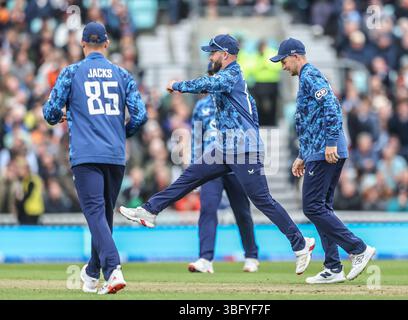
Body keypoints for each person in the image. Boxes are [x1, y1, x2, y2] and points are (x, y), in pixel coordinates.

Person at [119, 34, 316, 276]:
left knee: (262, 200)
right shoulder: (228, 80)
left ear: (225, 54)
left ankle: (300, 243)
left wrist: (178, 85)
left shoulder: (231, 74)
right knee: (189, 177)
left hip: (243, 149)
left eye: (213, 52)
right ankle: (149, 210)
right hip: (225, 148)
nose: (210, 56)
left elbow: (210, 84)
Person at [43, 22, 147, 294]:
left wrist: (64, 116)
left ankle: (113, 269)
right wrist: (120, 132)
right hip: (115, 154)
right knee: (103, 217)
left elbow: (50, 112)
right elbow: (140, 115)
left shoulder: (72, 72)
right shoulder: (122, 74)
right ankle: (91, 273)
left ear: (82, 44)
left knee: (95, 214)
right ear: (107, 43)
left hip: (87, 154)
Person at [270, 38, 376, 284]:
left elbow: (332, 107)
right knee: (321, 209)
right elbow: (309, 121)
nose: (283, 66)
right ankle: (333, 267)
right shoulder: (306, 77)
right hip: (317, 151)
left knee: (312, 207)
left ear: (296, 56)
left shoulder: (310, 75)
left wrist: (330, 142)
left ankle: (358, 248)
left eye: (283, 60)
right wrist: (301, 155)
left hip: (326, 151)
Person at [189, 62, 259, 274]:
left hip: (236, 161)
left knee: (242, 211)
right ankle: (205, 258)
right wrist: (195, 168)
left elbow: (252, 129)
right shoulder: (202, 107)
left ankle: (251, 256)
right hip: (211, 163)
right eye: (211, 76)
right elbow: (196, 138)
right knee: (208, 209)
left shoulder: (241, 100)